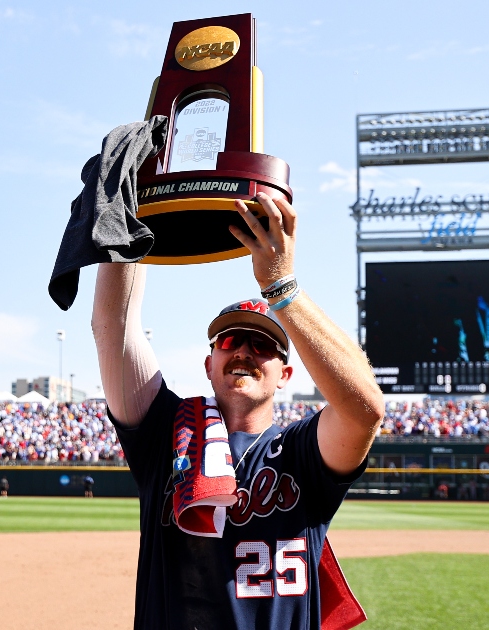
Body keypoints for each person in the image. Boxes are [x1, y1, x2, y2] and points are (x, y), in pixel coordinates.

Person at [92, 192, 383, 629]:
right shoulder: (168, 433)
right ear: (209, 364)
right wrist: (132, 209)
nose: (245, 350)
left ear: (285, 375)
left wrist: (281, 285)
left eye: (263, 343)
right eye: (229, 340)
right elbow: (113, 328)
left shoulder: (302, 451)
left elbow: (366, 410)